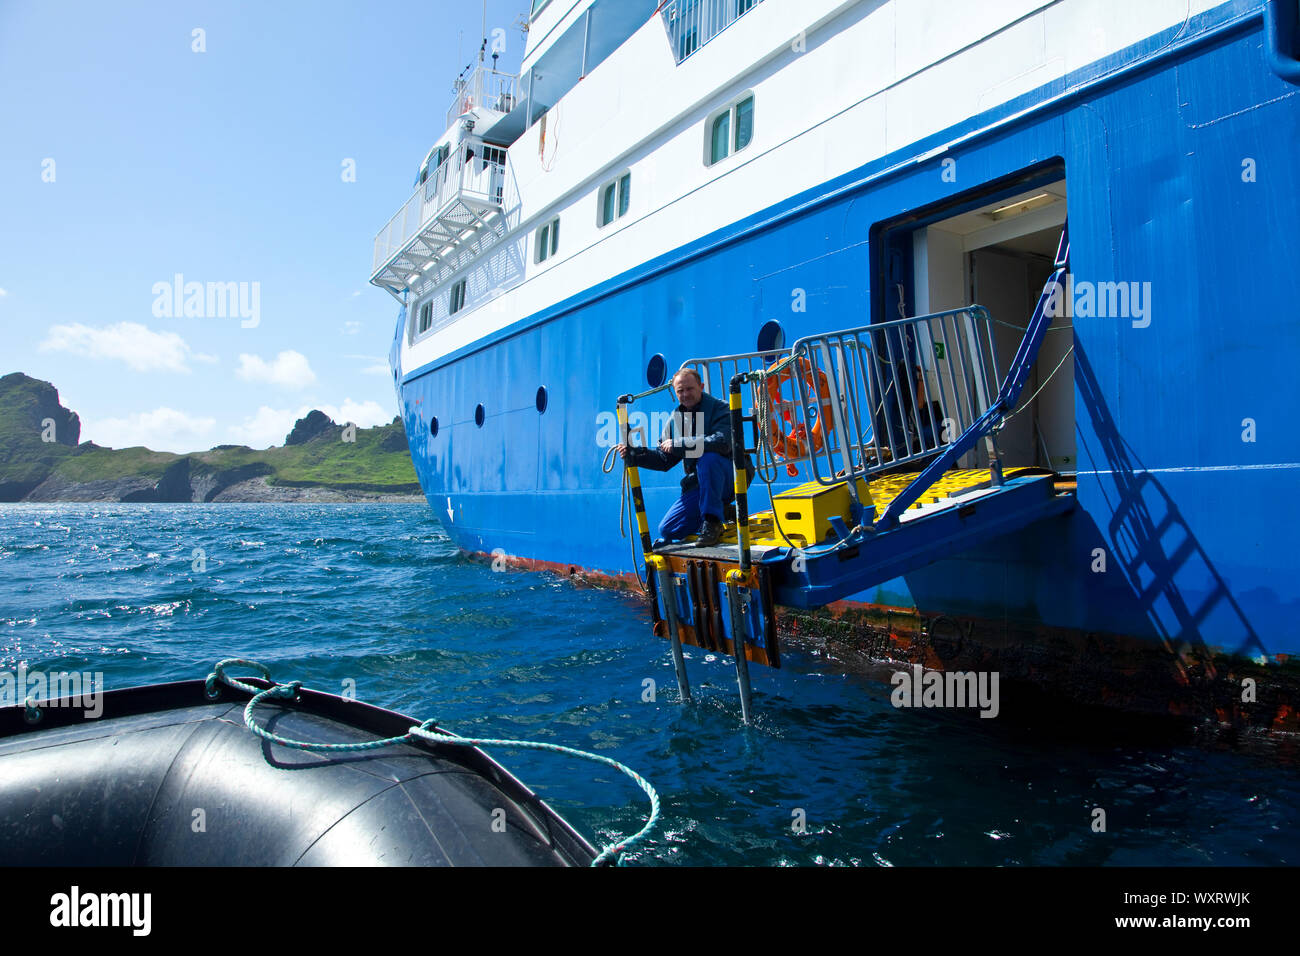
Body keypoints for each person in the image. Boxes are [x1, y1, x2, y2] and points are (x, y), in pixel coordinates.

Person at [615, 368, 749, 548]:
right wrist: (636, 454)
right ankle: (722, 511)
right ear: (675, 392)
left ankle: (712, 522)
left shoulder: (721, 407)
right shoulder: (678, 418)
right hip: (702, 483)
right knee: (669, 529)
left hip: (731, 477)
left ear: (701, 387)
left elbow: (722, 442)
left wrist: (680, 444)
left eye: (690, 389)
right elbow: (664, 460)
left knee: (708, 458)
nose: (685, 394)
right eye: (680, 391)